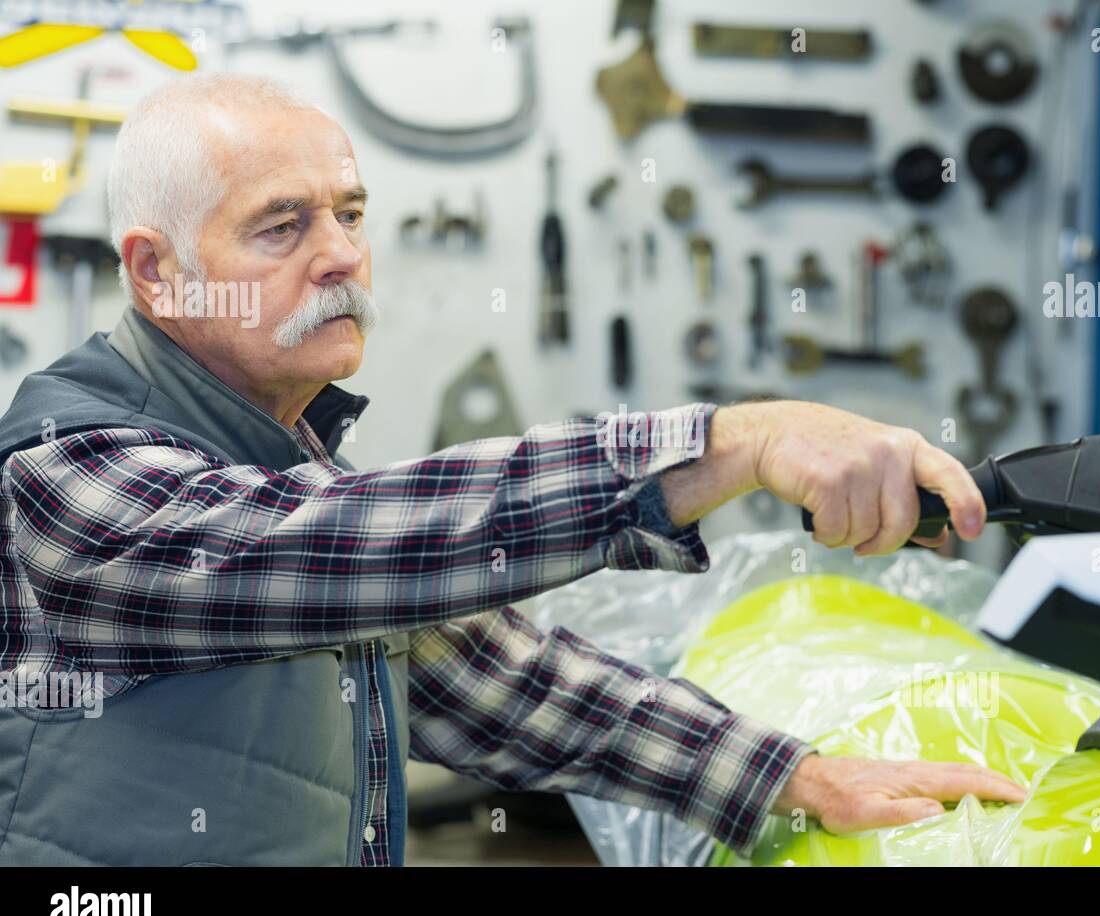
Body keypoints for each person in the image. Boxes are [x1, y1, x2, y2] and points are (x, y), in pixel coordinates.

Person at [0, 73, 1021, 866]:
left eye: (349, 214)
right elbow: (319, 548)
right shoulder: (68, 471)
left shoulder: (281, 451)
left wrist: (793, 774)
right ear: (154, 270)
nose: (341, 255)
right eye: (283, 224)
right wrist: (733, 444)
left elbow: (507, 684)